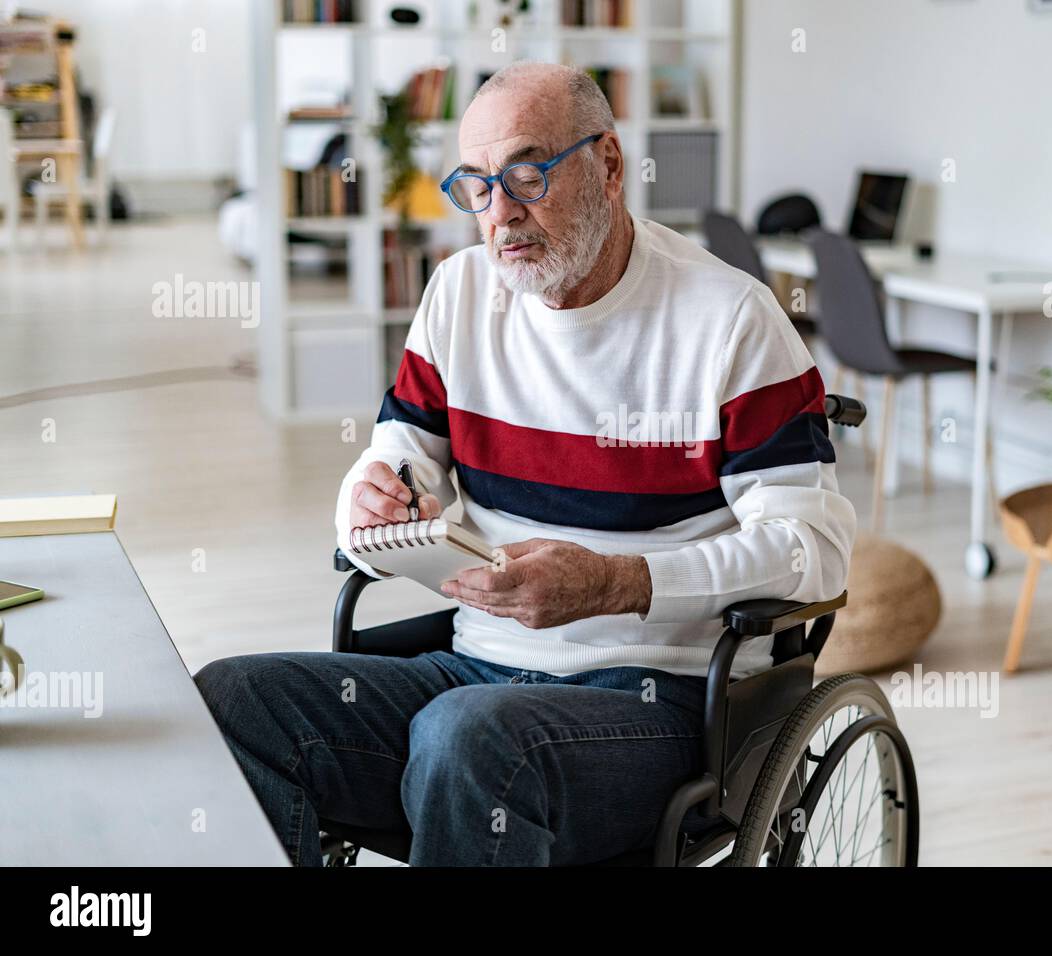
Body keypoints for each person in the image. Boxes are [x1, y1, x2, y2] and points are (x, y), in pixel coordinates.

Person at [196, 61, 854, 866]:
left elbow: (813, 552)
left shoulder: (731, 322)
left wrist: (619, 581)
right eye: (475, 185)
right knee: (231, 700)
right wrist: (370, 495)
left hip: (658, 699)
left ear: (609, 166)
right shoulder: (459, 294)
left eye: (527, 175)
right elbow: (402, 451)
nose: (499, 214)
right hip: (475, 667)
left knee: (468, 738)